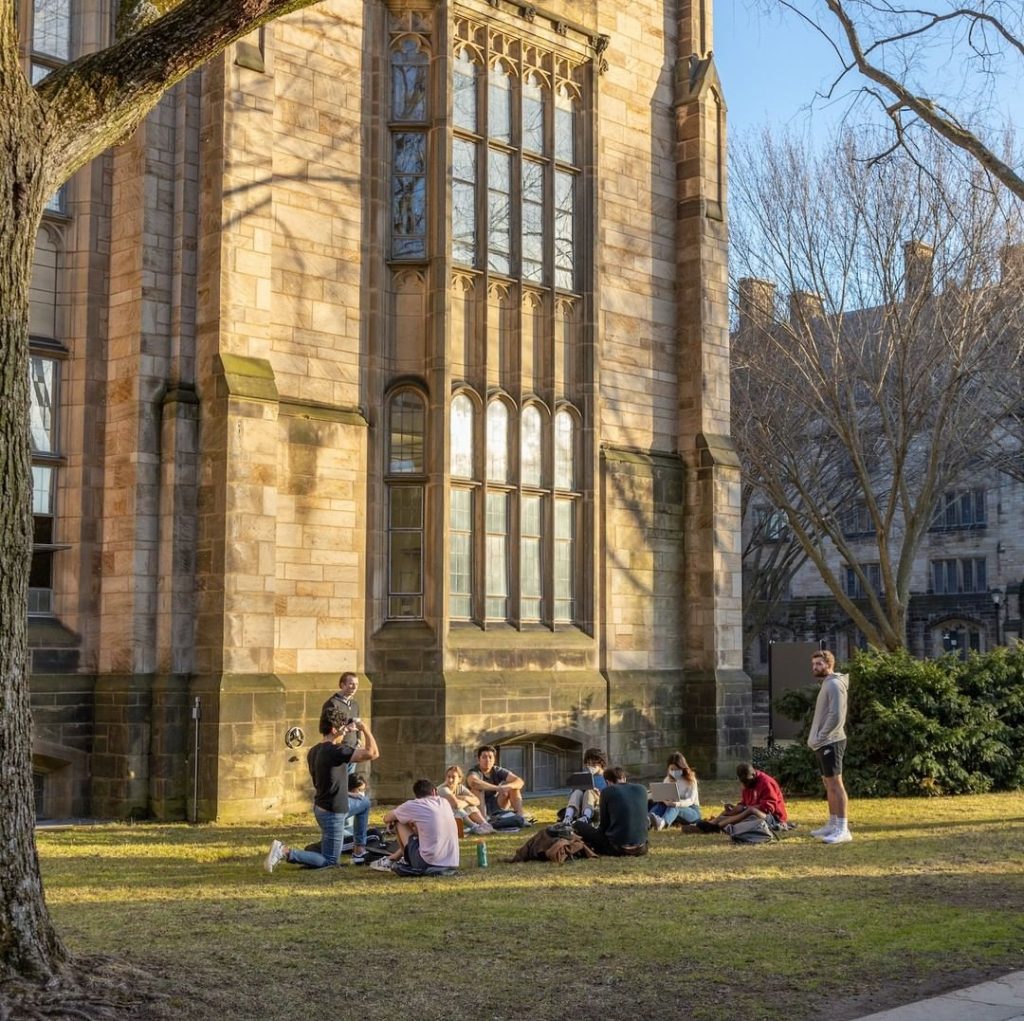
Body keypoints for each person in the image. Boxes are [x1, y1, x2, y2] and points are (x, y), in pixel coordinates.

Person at [264, 704, 379, 871]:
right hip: (333, 814)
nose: (345, 732)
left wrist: (346, 794)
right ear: (334, 729)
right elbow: (373, 753)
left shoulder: (314, 750)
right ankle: (284, 851)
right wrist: (365, 728)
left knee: (364, 803)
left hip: (324, 808)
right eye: (343, 730)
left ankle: (359, 850)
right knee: (330, 861)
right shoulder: (335, 751)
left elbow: (329, 780)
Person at [370, 779, 460, 874]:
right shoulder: (444, 802)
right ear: (434, 791)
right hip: (451, 862)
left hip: (427, 863)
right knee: (419, 825)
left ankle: (401, 859)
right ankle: (395, 857)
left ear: (416, 795)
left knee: (399, 821)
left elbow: (387, 818)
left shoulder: (415, 804)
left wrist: (392, 822)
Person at [808, 649, 851, 844]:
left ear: (829, 664)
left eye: (819, 664)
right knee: (828, 783)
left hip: (831, 741)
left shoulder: (834, 684)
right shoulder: (827, 683)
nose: (815, 668)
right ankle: (833, 824)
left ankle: (843, 828)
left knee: (836, 784)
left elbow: (836, 715)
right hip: (824, 742)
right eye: (813, 664)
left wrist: (821, 736)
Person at [574, 766, 649, 857]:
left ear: (607, 782)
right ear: (624, 778)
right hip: (642, 848)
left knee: (578, 825)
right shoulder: (642, 789)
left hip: (617, 848)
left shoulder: (607, 791)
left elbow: (603, 827)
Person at [710, 763, 789, 830]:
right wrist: (735, 808)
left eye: (747, 781)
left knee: (751, 810)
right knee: (729, 811)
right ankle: (710, 824)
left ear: (753, 774)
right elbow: (744, 803)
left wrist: (745, 808)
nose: (745, 784)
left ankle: (717, 826)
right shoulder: (748, 784)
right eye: (743, 782)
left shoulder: (766, 783)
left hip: (773, 818)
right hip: (754, 814)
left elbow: (769, 807)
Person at [465, 745, 529, 821]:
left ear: (494, 760)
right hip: (478, 807)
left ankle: (520, 817)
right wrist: (497, 788)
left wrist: (507, 787)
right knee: (477, 789)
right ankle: (483, 821)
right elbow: (474, 783)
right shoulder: (474, 772)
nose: (487, 760)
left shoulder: (497, 770)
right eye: (484, 757)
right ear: (479, 760)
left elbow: (519, 781)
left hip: (496, 804)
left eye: (490, 757)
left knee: (513, 788)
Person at [321, 671, 361, 774]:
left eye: (356, 684)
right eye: (351, 683)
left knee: (350, 784)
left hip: (353, 748)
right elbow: (327, 729)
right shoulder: (332, 703)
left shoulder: (355, 704)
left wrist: (359, 739)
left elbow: (357, 722)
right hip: (339, 750)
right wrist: (346, 728)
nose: (354, 687)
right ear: (342, 685)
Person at [648, 751, 701, 830]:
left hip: (691, 811)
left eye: (677, 769)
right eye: (672, 769)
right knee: (661, 804)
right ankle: (647, 821)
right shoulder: (667, 779)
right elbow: (663, 796)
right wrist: (663, 800)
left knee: (674, 806)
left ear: (682, 768)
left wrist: (677, 804)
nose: (674, 772)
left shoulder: (691, 780)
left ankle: (662, 823)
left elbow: (690, 800)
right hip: (671, 809)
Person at [437, 764, 493, 834]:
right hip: (440, 817)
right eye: (448, 777)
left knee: (470, 805)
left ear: (459, 779)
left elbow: (477, 801)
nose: (450, 780)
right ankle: (475, 827)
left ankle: (485, 824)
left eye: (453, 777)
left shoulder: (459, 787)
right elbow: (456, 805)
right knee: (458, 809)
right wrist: (467, 801)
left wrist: (465, 798)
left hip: (452, 815)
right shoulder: (443, 789)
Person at [560, 747, 607, 828]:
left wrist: (599, 793)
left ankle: (586, 817)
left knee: (589, 791)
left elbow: (610, 795)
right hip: (582, 801)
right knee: (577, 791)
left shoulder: (606, 777)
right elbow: (571, 796)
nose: (590, 766)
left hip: (598, 801)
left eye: (593, 764)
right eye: (588, 764)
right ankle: (568, 817)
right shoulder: (585, 775)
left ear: (601, 763)